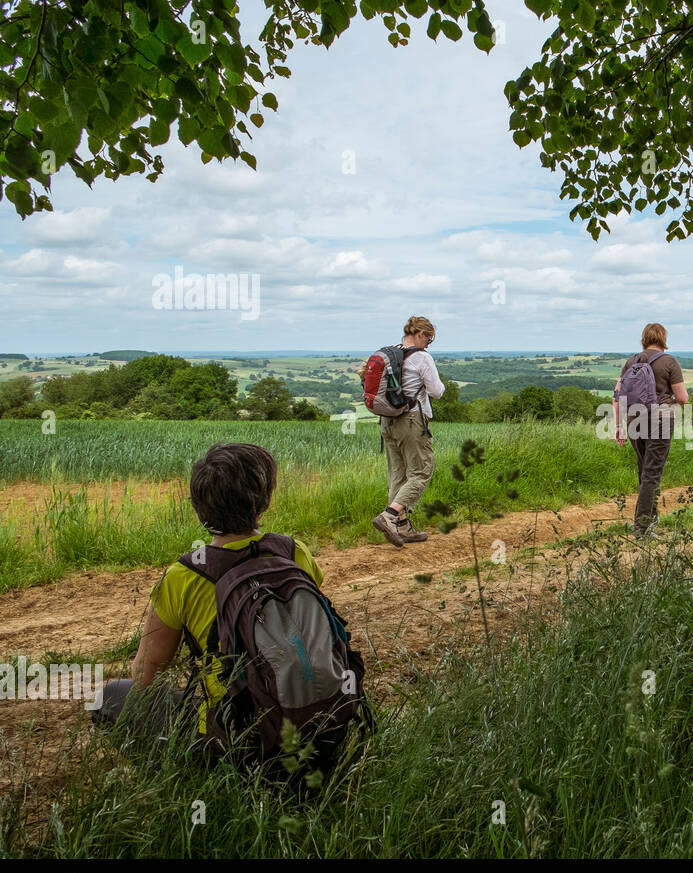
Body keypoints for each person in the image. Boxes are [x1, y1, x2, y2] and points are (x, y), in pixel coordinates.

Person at [91, 443, 326, 742]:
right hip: (313, 719)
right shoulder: (295, 552)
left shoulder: (183, 576)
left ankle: (178, 774)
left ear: (200, 508)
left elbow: (145, 676)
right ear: (263, 501)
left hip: (235, 734)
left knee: (110, 697)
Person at [372, 316, 445, 548]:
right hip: (412, 420)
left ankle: (402, 527)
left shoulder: (390, 353)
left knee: (398, 474)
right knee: (422, 471)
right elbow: (436, 392)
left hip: (387, 420)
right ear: (421, 333)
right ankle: (390, 515)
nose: (429, 344)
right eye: (429, 339)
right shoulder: (421, 357)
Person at [614, 322, 687, 539]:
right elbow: (683, 397)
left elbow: (617, 395)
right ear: (663, 338)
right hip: (660, 420)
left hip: (633, 418)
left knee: (644, 471)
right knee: (653, 473)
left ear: (644, 338)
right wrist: (671, 400)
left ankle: (647, 520)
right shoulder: (670, 362)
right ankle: (643, 528)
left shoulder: (631, 361)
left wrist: (618, 425)